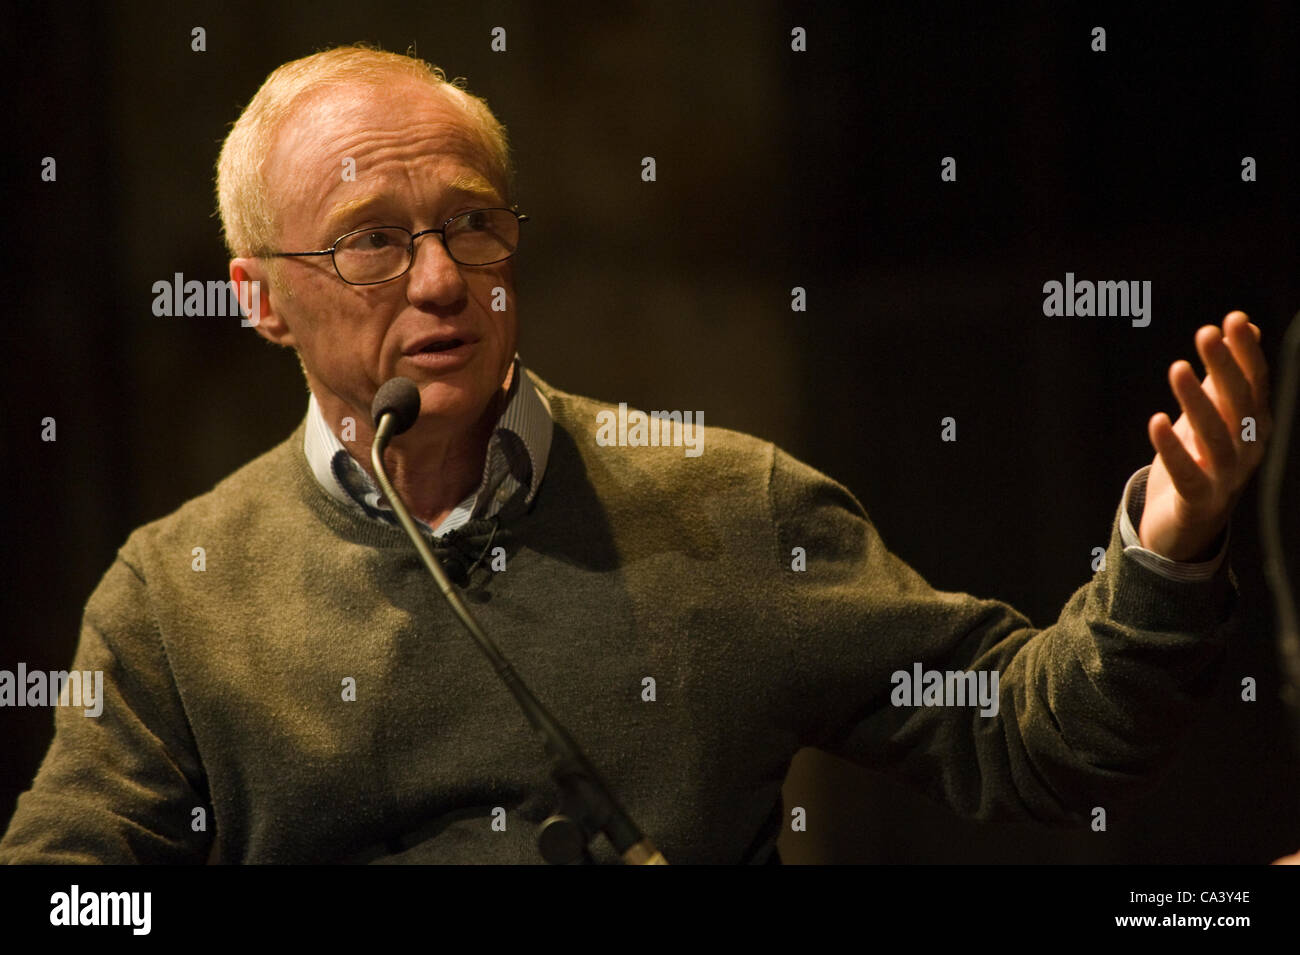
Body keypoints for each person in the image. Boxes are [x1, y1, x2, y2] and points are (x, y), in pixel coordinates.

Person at [0, 45, 1273, 864]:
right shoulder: (178, 595)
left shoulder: (724, 504)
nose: (441, 279)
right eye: (371, 240)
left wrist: (1164, 550)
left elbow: (1029, 735)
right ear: (260, 298)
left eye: (473, 225)